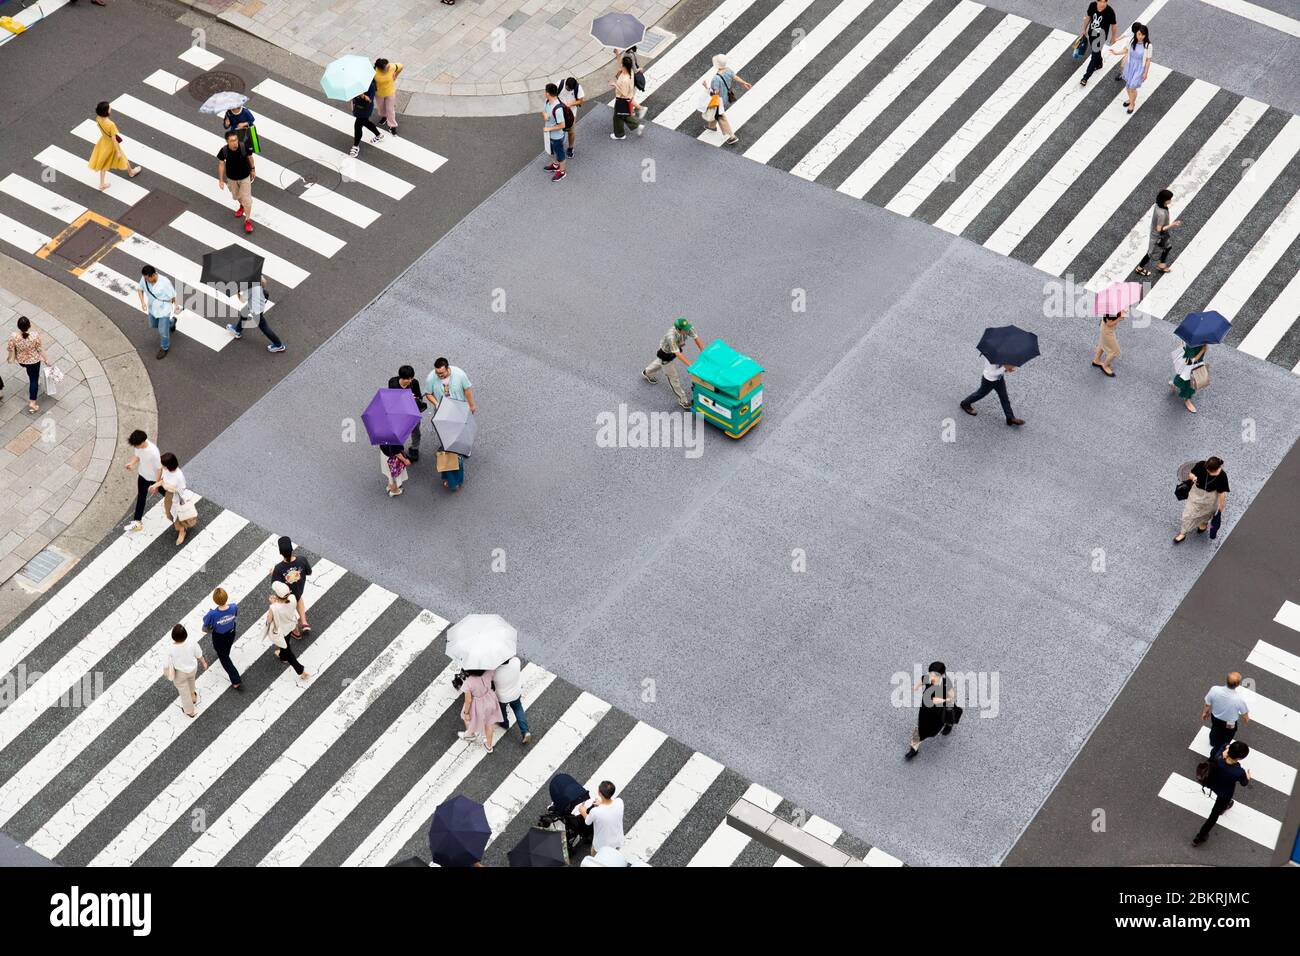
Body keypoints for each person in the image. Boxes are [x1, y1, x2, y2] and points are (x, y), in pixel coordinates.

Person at [1192, 740, 1250, 847]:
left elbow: (1223, 745)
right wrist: (1248, 777)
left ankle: (1200, 837)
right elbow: (1244, 783)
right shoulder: (1239, 772)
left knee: (1214, 814)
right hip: (1225, 793)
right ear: (1240, 758)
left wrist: (1225, 747)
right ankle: (1200, 836)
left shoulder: (1218, 757)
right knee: (1214, 814)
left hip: (1212, 783)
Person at [643, 317, 704, 410]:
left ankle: (647, 372)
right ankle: (683, 400)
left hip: (675, 348)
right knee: (673, 378)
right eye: (685, 330)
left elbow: (696, 338)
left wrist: (704, 352)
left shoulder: (688, 328)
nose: (688, 330)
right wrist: (691, 365)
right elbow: (678, 354)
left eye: (687, 328)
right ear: (678, 329)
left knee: (660, 363)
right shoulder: (670, 337)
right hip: (666, 353)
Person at [905, 662, 959, 759]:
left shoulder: (947, 684)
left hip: (939, 711)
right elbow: (923, 679)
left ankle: (949, 725)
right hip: (926, 709)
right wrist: (916, 686)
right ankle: (914, 749)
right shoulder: (930, 677)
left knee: (948, 716)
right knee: (920, 728)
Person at [700, 54, 753, 145]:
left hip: (718, 100)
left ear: (716, 65)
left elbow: (714, 93)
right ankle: (711, 126)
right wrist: (744, 83)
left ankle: (731, 136)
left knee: (720, 116)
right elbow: (735, 77)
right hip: (725, 97)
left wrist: (706, 87)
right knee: (715, 112)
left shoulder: (716, 79)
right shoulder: (728, 70)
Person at [1174, 456, 1228, 544]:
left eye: (1212, 471)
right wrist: (1194, 478)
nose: (1210, 473)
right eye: (1209, 471)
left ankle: (1204, 524)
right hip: (1196, 494)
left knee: (1207, 513)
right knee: (1187, 514)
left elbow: (1221, 493)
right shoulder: (1201, 465)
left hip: (1211, 497)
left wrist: (1221, 508)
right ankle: (1183, 532)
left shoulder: (1222, 475)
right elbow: (1191, 474)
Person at [88, 101, 140, 190]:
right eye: (109, 108)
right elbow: (114, 139)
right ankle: (131, 172)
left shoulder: (98, 118)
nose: (110, 108)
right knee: (122, 157)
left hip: (103, 142)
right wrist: (118, 151)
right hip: (111, 145)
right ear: (107, 112)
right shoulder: (111, 124)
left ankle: (102, 184)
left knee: (104, 164)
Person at [225, 274, 285, 352]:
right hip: (258, 304)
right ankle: (237, 331)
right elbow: (263, 282)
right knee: (244, 312)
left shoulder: (250, 289)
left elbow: (242, 300)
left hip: (255, 309)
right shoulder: (259, 283)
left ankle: (278, 345)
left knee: (264, 327)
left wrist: (238, 293)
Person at [265, 582, 310, 682]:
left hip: (281, 630)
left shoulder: (274, 607)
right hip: (290, 626)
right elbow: (284, 604)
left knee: (287, 649)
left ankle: (300, 670)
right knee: (285, 644)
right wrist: (276, 602)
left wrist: (273, 604)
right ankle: (282, 656)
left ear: (277, 596)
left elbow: (269, 619)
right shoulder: (293, 598)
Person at [149, 452, 197, 545]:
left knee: (178, 517)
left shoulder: (179, 476)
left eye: (163, 464)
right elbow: (163, 480)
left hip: (177, 499)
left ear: (168, 465)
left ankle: (182, 531)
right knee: (170, 515)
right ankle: (181, 527)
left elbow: (181, 489)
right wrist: (155, 485)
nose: (161, 466)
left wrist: (165, 486)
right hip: (169, 496)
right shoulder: (167, 470)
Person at [960, 360, 1025, 426]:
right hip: (989, 380)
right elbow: (992, 373)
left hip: (999, 379)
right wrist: (1004, 368)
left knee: (1004, 397)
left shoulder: (1001, 355)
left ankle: (1010, 418)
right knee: (980, 394)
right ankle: (965, 403)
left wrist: (1007, 368)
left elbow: (1001, 367)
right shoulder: (990, 360)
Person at [6, 316, 49, 414]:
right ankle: (32, 403)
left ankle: (35, 381)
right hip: (34, 361)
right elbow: (40, 349)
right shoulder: (35, 336)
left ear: (18, 326)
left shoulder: (14, 336)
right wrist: (46, 359)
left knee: (31, 373)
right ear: (29, 325)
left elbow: (10, 348)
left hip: (22, 361)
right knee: (33, 380)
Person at [202, 587, 243, 691]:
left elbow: (205, 624)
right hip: (231, 632)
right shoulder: (233, 607)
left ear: (215, 600)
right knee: (227, 647)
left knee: (224, 658)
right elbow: (235, 615)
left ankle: (236, 679)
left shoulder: (213, 614)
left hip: (219, 636)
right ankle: (225, 654)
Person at [217, 130, 256, 235]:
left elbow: (250, 157)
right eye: (232, 141)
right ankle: (241, 205)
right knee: (237, 196)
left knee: (247, 199)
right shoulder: (224, 151)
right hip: (232, 179)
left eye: (236, 140)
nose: (235, 143)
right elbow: (221, 164)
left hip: (244, 177)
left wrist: (252, 169)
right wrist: (221, 179)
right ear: (227, 142)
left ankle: (247, 220)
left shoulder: (243, 147)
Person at [164, 623, 208, 718]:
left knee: (184, 692)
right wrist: (204, 663)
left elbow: (167, 663)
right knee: (191, 681)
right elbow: (199, 654)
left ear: (173, 637)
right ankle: (193, 696)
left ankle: (189, 711)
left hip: (180, 673)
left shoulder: (170, 648)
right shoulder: (192, 643)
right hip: (192, 669)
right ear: (185, 635)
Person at [272, 536, 313, 637]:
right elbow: (309, 572)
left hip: (288, 595)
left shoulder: (278, 568)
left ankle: (296, 631)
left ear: (281, 553)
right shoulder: (302, 560)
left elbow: (276, 584)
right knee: (298, 599)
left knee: (288, 610)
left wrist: (272, 574)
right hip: (299, 589)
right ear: (292, 549)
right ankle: (304, 622)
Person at [122, 429, 162, 532]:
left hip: (154, 478)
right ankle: (137, 522)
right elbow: (138, 456)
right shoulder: (138, 446)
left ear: (143, 441)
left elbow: (159, 469)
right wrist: (131, 463)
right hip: (143, 475)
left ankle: (181, 505)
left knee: (168, 494)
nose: (135, 447)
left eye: (136, 445)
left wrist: (156, 485)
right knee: (141, 497)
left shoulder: (153, 452)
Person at [1135, 189, 1180, 277]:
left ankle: (1161, 264)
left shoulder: (1158, 205)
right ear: (1165, 200)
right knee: (1150, 253)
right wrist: (1172, 225)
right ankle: (1139, 268)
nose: (1171, 200)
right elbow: (1159, 229)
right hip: (1157, 236)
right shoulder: (1162, 214)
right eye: (1169, 199)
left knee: (1168, 247)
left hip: (1161, 234)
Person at [136, 264, 178, 360]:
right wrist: (142, 302)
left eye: (147, 279)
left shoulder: (165, 282)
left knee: (163, 331)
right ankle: (172, 322)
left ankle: (164, 347)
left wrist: (176, 306)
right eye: (145, 278)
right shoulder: (144, 278)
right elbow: (140, 289)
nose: (145, 280)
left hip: (164, 310)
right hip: (152, 308)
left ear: (153, 275)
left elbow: (173, 296)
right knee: (154, 325)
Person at [388, 364, 426, 462]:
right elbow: (391, 399)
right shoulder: (393, 383)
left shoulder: (414, 383)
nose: (410, 381)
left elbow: (419, 397)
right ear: (401, 377)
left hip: (413, 412)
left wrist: (414, 399)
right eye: (407, 379)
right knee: (399, 432)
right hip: (399, 415)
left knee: (416, 431)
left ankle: (415, 448)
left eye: (411, 378)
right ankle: (399, 450)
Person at [1202, 673, 1250, 752]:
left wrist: (1205, 713)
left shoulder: (1214, 689)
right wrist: (1246, 719)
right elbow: (1245, 716)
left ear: (1226, 680)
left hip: (1215, 717)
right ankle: (1222, 748)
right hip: (1229, 723)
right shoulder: (1239, 699)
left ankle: (1213, 742)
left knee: (1215, 729)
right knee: (1228, 735)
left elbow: (1207, 704)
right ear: (1237, 684)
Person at [1111, 22, 1151, 114]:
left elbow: (1148, 60)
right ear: (1136, 33)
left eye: (1143, 35)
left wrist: (1145, 73)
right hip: (1130, 66)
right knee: (1128, 86)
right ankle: (1130, 99)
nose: (1141, 36)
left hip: (1139, 68)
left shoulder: (1148, 46)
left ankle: (1132, 104)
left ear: (1146, 35)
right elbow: (1126, 50)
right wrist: (1116, 53)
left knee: (1132, 87)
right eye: (1139, 34)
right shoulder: (1132, 41)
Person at [1078, 0, 1118, 87]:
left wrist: (1113, 37)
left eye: (1105, 2)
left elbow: (1114, 25)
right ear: (1097, 1)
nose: (1103, 4)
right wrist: (1084, 30)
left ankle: (1086, 77)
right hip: (1092, 33)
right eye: (1101, 2)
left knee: (1094, 56)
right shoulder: (1092, 5)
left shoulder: (1110, 11)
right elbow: (1088, 18)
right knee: (1096, 52)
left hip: (1101, 36)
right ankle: (1099, 64)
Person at [458, 669, 499, 753]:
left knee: (467, 718)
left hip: (477, 703)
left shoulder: (468, 682)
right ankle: (489, 746)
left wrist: (466, 713)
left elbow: (468, 700)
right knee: (488, 724)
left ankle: (470, 734)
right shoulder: (489, 672)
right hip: (489, 699)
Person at [493, 655, 531, 745]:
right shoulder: (516, 662)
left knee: (502, 711)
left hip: (502, 697)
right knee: (518, 709)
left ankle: (504, 724)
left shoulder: (495, 672)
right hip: (516, 692)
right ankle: (525, 731)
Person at [579, 781, 625, 853]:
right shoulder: (620, 802)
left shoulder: (595, 811)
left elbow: (587, 822)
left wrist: (582, 810)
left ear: (599, 793)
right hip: (618, 841)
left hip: (601, 846)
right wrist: (601, 804)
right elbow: (610, 808)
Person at [610, 57, 644, 141]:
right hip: (627, 99)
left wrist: (615, 85)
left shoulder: (625, 79)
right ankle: (637, 126)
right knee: (623, 115)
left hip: (622, 99)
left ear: (624, 66)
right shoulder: (630, 72)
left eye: (622, 64)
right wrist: (617, 53)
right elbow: (620, 64)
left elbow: (624, 93)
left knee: (617, 117)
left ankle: (620, 135)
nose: (620, 64)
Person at [350, 78, 384, 158]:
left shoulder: (370, 85)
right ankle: (379, 135)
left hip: (365, 108)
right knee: (365, 122)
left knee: (358, 126)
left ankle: (356, 146)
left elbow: (369, 100)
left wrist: (361, 95)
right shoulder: (357, 82)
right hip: (358, 107)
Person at [1169, 342, 1207, 414]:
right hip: (1190, 365)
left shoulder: (1202, 341)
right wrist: (1203, 350)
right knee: (1189, 384)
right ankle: (1187, 400)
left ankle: (1174, 383)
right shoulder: (1192, 344)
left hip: (1194, 364)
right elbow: (1191, 360)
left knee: (1183, 376)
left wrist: (1203, 348)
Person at [542, 84, 568, 181]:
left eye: (545, 91)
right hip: (549, 135)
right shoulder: (547, 101)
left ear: (548, 93)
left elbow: (562, 125)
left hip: (556, 137)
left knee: (560, 155)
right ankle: (555, 165)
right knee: (550, 151)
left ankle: (562, 172)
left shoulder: (557, 109)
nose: (544, 93)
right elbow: (543, 111)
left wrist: (549, 129)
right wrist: (544, 115)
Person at [373, 59, 404, 135]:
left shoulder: (392, 67)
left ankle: (392, 126)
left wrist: (396, 74)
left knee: (390, 109)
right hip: (379, 93)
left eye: (388, 66)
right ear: (380, 69)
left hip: (390, 92)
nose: (389, 68)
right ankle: (385, 116)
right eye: (387, 67)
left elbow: (401, 66)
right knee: (381, 108)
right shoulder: (374, 72)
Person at [557, 77, 585, 157]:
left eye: (571, 90)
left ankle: (570, 147)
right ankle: (558, 145)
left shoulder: (578, 88)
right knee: (558, 130)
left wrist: (571, 104)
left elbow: (581, 101)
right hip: (559, 112)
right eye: (568, 89)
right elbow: (554, 96)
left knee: (571, 132)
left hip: (571, 114)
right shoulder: (559, 84)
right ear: (565, 84)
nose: (569, 91)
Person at [1091, 310, 1124, 377]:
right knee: (1115, 351)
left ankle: (1096, 360)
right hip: (1107, 331)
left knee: (1103, 343)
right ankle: (1105, 366)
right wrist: (1119, 318)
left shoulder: (1113, 305)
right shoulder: (1112, 311)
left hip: (1105, 327)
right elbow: (1109, 324)